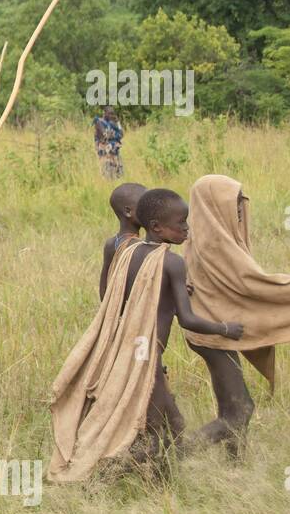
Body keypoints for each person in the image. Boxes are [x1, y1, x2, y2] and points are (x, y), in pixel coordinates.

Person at [50, 188, 244, 482]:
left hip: (127, 351)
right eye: (180, 223)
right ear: (156, 227)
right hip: (147, 357)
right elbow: (189, 320)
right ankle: (102, 477)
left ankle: (155, 486)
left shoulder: (128, 253)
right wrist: (225, 329)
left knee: (164, 428)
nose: (187, 229)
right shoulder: (172, 262)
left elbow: (119, 297)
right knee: (166, 432)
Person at [183, 174, 290, 453]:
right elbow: (254, 284)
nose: (241, 210)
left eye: (241, 203)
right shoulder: (215, 245)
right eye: (234, 204)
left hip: (212, 332)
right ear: (214, 206)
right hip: (213, 335)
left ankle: (235, 468)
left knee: (233, 407)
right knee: (239, 410)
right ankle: (172, 457)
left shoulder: (206, 236)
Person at [99, 182, 147, 299]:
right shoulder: (140, 246)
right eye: (146, 207)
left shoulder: (111, 243)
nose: (151, 211)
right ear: (128, 212)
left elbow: (104, 286)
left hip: (117, 311)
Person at [94, 106, 124, 180]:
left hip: (114, 152)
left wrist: (118, 122)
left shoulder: (111, 123)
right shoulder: (98, 121)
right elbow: (105, 135)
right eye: (109, 114)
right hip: (104, 153)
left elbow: (121, 134)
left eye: (112, 114)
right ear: (104, 113)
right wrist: (115, 135)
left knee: (119, 175)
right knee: (107, 175)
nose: (111, 116)